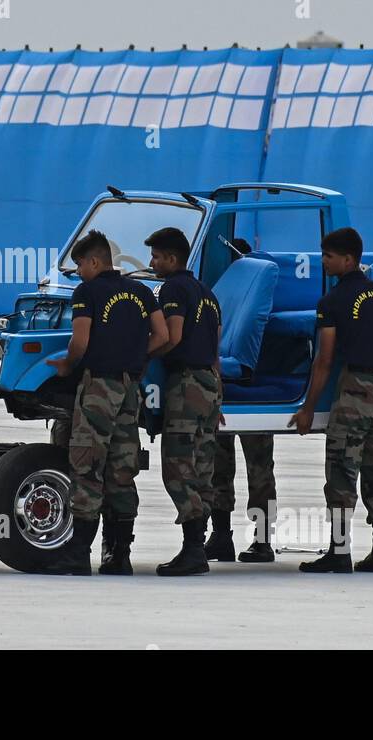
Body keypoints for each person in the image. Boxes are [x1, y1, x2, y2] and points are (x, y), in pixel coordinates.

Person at [43, 230, 168, 575]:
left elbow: (80, 340)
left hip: (98, 386)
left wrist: (67, 366)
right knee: (122, 467)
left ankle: (78, 553)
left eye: (80, 265)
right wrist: (133, 357)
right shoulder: (142, 292)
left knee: (86, 464)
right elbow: (163, 336)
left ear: (95, 261)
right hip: (130, 389)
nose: (78, 272)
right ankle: (118, 556)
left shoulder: (88, 291)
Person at [290, 228, 373, 574]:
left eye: (329, 257)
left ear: (348, 259)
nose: (324, 262)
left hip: (357, 388)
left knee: (341, 467)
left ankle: (340, 552)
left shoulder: (332, 302)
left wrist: (308, 407)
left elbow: (325, 359)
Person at [143, 227, 221, 576]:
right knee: (203, 466)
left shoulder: (173, 288)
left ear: (172, 259)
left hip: (186, 383)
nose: (152, 263)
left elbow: (171, 338)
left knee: (178, 465)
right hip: (209, 383)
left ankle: (192, 549)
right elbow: (215, 347)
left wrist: (137, 357)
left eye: (156, 256)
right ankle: (198, 547)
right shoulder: (208, 292)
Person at [207, 237, 278, 564]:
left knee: (257, 469)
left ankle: (262, 540)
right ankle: (221, 535)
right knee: (227, 467)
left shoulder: (253, 289)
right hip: (225, 381)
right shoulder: (225, 291)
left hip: (247, 382)